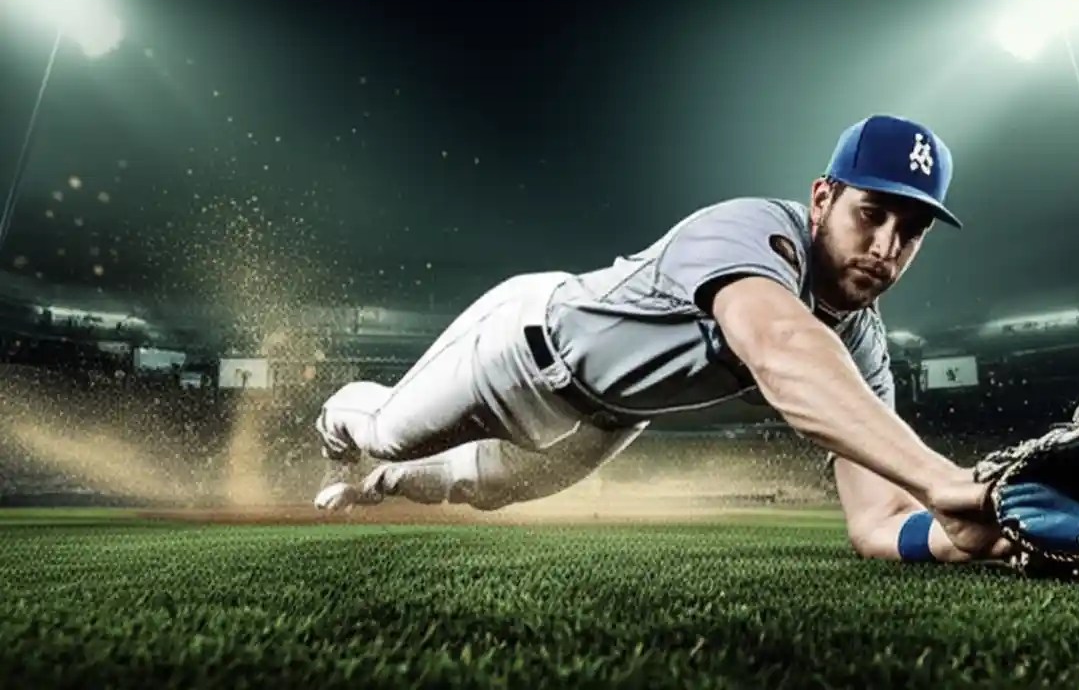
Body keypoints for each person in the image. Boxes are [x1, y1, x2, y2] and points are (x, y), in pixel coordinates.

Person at [314, 114, 1011, 563]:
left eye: (911, 230)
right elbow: (781, 347)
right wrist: (944, 479)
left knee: (483, 490)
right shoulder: (751, 231)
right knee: (388, 432)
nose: (886, 247)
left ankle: (378, 486)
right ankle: (338, 425)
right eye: (872, 212)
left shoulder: (864, 343)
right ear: (823, 198)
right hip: (522, 350)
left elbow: (878, 520)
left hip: (607, 423)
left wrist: (966, 536)